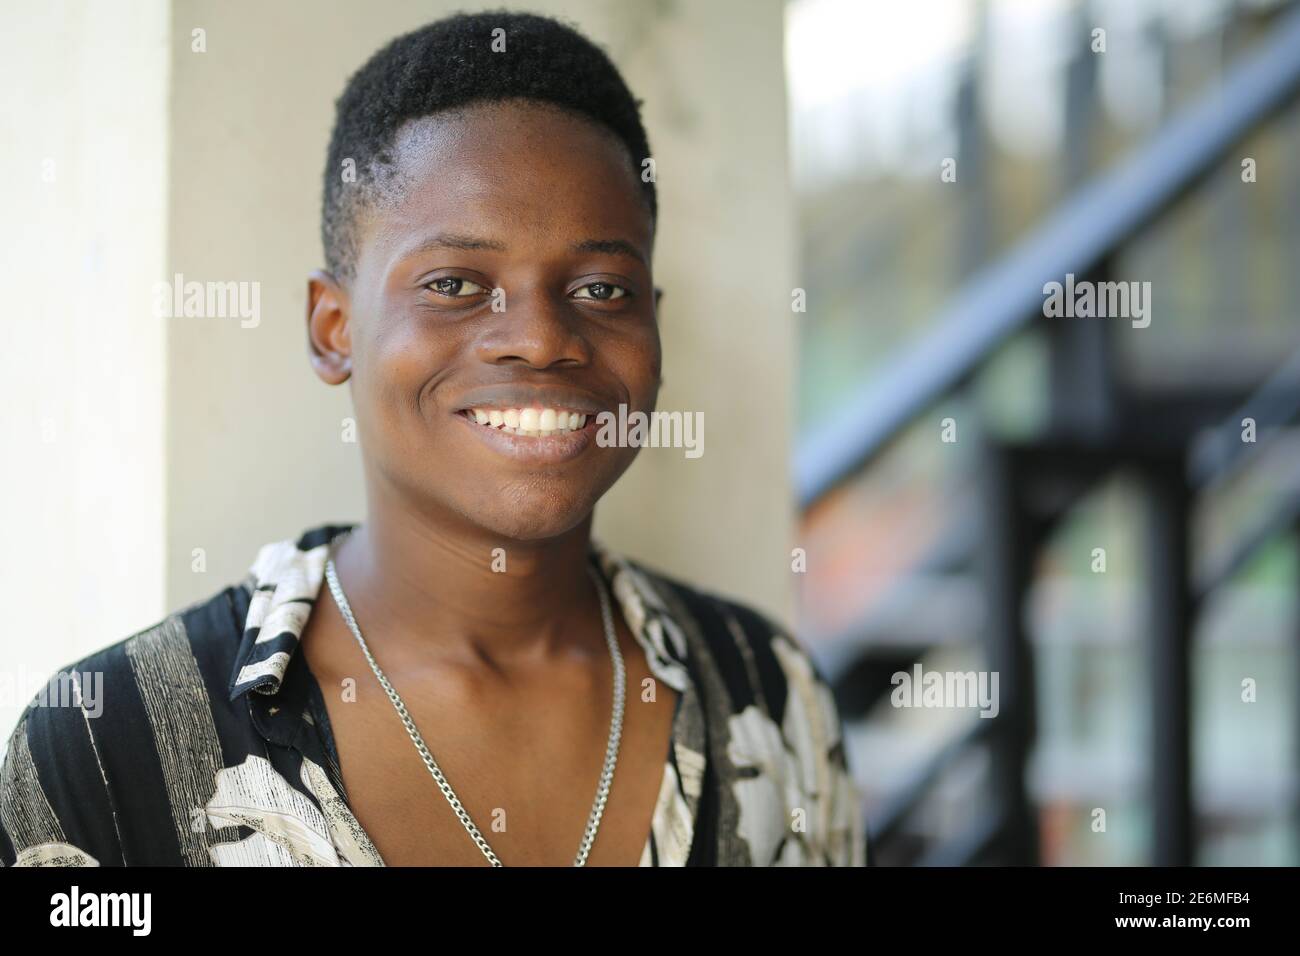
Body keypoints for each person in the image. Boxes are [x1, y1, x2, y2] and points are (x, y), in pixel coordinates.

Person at [0, 9, 866, 867]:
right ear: (334, 328)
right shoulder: (104, 747)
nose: (540, 338)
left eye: (603, 289)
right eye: (454, 282)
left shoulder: (769, 694)